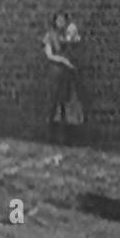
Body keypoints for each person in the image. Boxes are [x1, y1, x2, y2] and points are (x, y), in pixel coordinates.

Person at [43, 12, 83, 143]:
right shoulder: (50, 36)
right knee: (52, 103)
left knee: (65, 103)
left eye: (63, 20)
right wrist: (63, 61)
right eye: (58, 20)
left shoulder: (66, 36)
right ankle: (49, 135)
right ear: (54, 21)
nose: (60, 22)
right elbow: (49, 55)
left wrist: (75, 38)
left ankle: (64, 136)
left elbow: (75, 44)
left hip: (66, 74)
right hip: (55, 72)